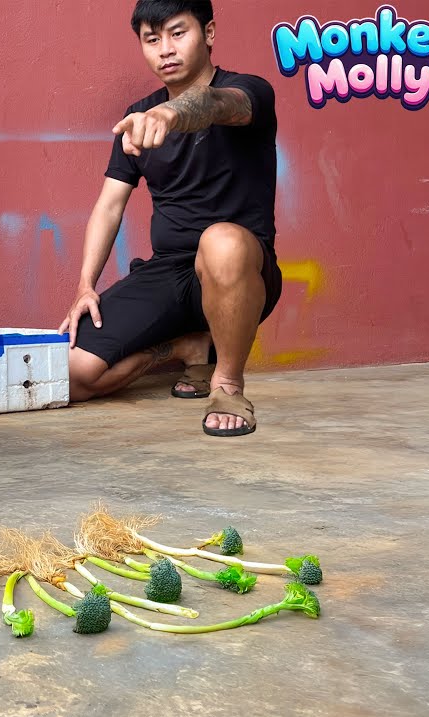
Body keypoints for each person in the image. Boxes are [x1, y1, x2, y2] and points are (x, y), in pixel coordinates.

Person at [58, 0, 282, 437]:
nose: (165, 49)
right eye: (152, 39)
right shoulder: (137, 115)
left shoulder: (249, 92)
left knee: (221, 241)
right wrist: (85, 285)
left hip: (242, 269)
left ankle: (228, 384)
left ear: (209, 33)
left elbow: (219, 104)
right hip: (168, 274)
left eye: (178, 33)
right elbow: (109, 206)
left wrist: (173, 113)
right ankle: (182, 348)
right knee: (73, 373)